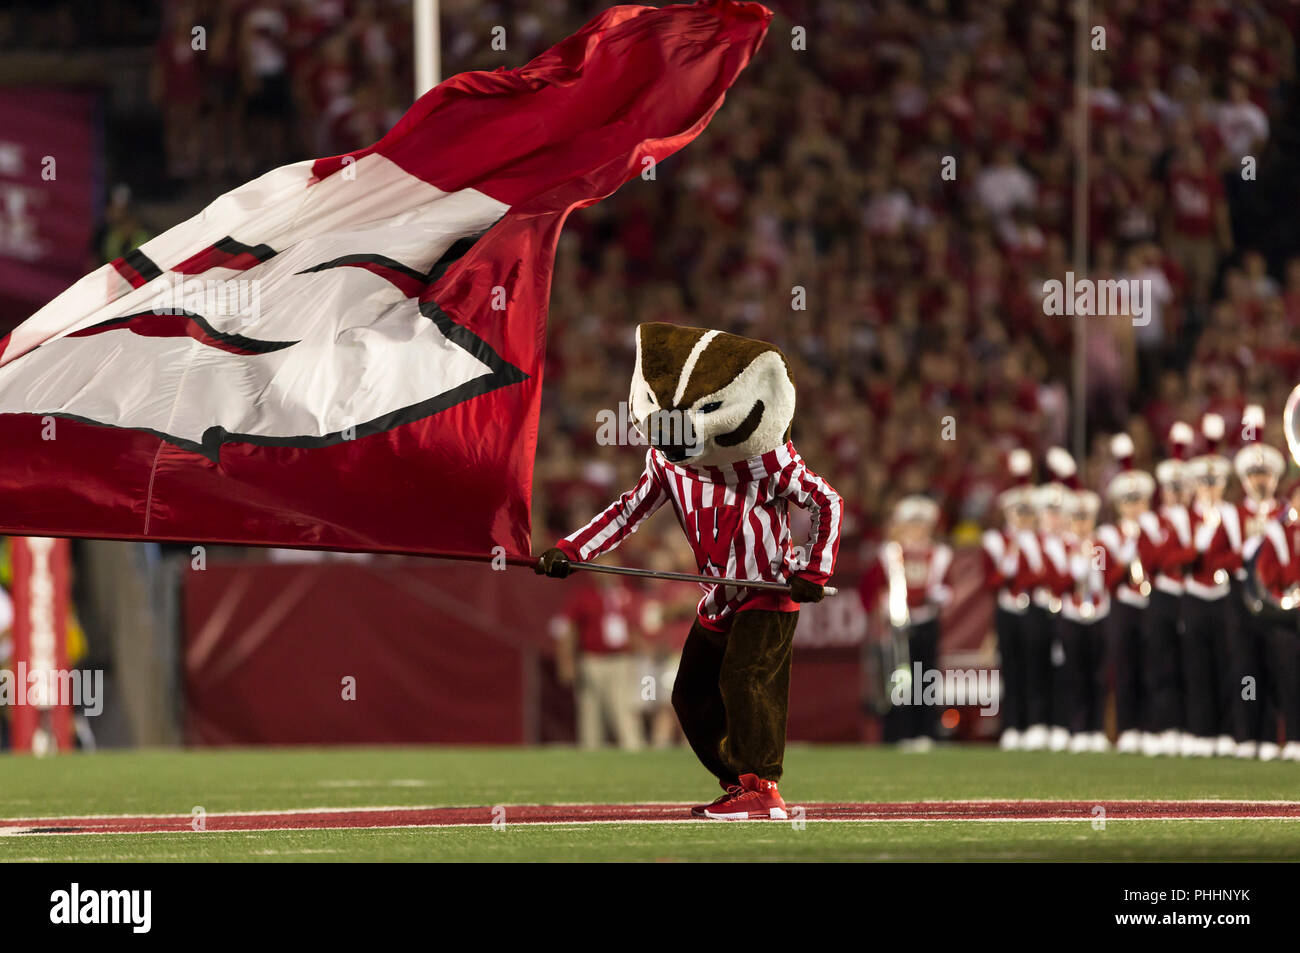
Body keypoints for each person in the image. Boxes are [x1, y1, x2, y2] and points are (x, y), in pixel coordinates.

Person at [536, 324, 841, 820]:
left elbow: (825, 499)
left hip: (766, 587)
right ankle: (738, 782)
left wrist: (814, 566)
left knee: (747, 679)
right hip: (719, 595)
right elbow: (628, 511)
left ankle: (763, 790)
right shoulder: (665, 462)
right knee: (689, 695)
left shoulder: (766, 458)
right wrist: (572, 551)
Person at [860, 495, 954, 751]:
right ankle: (897, 731)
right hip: (897, 625)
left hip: (926, 620)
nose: (917, 530)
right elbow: (871, 589)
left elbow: (947, 587)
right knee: (898, 678)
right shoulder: (890, 554)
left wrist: (937, 595)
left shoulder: (940, 554)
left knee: (926, 676)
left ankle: (925, 730)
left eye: (921, 524)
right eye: (912, 524)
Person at [1095, 434, 1163, 754]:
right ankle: (1126, 728)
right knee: (1123, 667)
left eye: (1140, 500)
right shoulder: (1106, 535)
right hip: (1123, 605)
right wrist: (1126, 555)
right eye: (1129, 501)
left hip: (1151, 603)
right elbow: (1104, 579)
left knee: (1153, 666)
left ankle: (1151, 728)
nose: (1135, 507)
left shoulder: (1157, 528)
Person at [1229, 404, 1286, 758]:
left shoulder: (1284, 512)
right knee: (1245, 667)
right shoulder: (1233, 513)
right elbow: (1215, 557)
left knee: (1277, 663)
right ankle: (1248, 733)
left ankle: (1272, 734)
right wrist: (1246, 547)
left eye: (1265, 474)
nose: (1260, 481)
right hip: (1240, 597)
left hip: (1274, 597)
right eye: (1254, 475)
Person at [981, 449, 1039, 750]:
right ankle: (1013, 724)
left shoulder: (1041, 540)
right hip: (1008, 609)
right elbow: (991, 581)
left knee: (1036, 666)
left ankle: (1036, 724)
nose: (1022, 518)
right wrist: (1011, 558)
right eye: (1017, 512)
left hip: (1035, 608)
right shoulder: (996, 541)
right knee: (1013, 668)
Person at [550, 571, 644, 751]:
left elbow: (639, 626)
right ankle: (590, 751)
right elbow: (567, 628)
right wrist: (566, 661)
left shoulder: (626, 595)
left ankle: (633, 750)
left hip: (621, 659)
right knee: (589, 710)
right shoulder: (584, 596)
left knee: (623, 708)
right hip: (592, 659)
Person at [1150, 421, 1195, 755]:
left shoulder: (1196, 518)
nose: (1176, 492)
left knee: (1191, 663)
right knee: (1163, 663)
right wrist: (1191, 553)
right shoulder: (1155, 521)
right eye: (1171, 486)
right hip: (1164, 595)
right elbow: (1159, 558)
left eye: (1181, 486)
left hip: (1192, 595)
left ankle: (1193, 727)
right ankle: (1164, 726)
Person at [1251, 479, 1300, 761]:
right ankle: (1293, 737)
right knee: (1288, 677)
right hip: (1286, 616)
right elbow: (1267, 574)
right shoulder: (1278, 534)